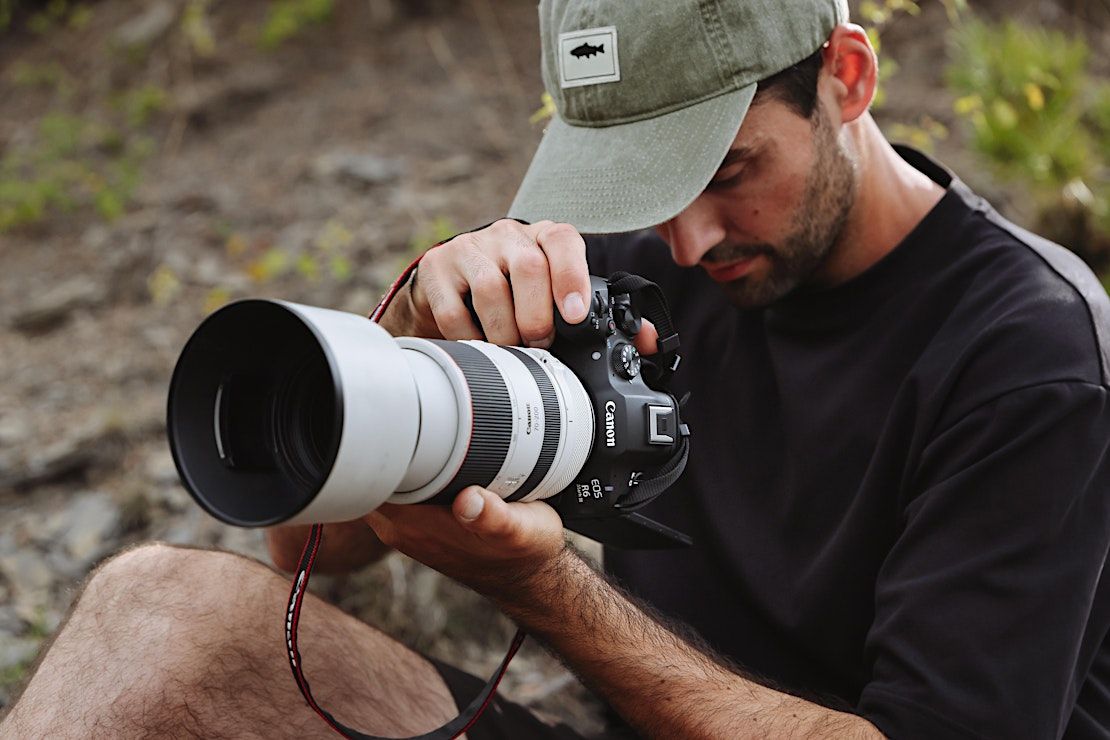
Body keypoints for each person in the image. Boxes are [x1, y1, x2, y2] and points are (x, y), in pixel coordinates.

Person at [4, 0, 1109, 737]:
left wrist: (542, 588)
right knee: (154, 609)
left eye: (728, 168)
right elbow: (309, 549)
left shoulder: (1027, 352)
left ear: (849, 77)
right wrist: (409, 368)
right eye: (642, 184)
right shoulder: (601, 264)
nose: (682, 241)